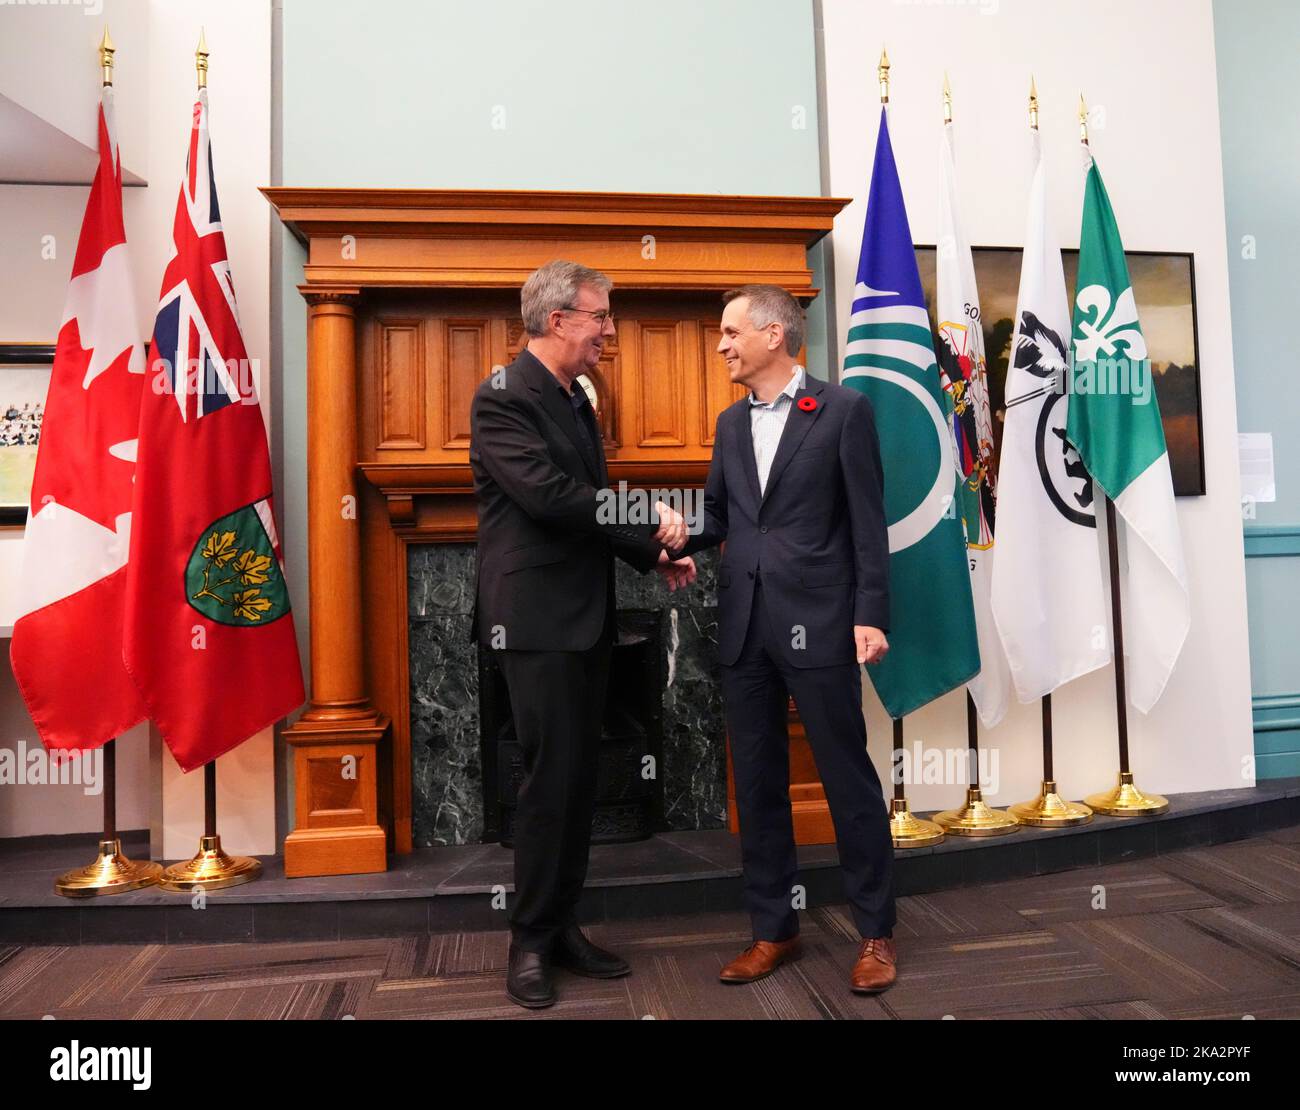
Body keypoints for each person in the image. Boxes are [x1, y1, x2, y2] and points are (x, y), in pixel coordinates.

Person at [469, 260, 696, 1009]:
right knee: (546, 784)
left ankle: (561, 925)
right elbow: (552, 497)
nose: (608, 329)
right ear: (558, 318)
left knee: (572, 785)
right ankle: (528, 943)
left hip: (584, 619)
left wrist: (651, 554)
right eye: (599, 315)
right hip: (535, 624)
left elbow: (587, 505)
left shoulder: (576, 400)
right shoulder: (502, 399)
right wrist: (647, 521)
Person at [672, 284, 898, 993]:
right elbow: (718, 513)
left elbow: (868, 522)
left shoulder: (843, 411)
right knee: (760, 786)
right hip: (745, 628)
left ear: (775, 334)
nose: (721, 345)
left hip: (824, 625)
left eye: (731, 332)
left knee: (847, 781)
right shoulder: (729, 424)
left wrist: (871, 614)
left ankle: (876, 935)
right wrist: (678, 535)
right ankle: (774, 931)